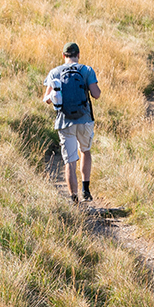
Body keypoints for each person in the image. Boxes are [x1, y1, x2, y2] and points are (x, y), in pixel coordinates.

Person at [41, 42, 101, 202]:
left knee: (69, 161)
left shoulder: (54, 72)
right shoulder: (86, 70)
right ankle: (85, 189)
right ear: (78, 55)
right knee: (85, 151)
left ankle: (74, 199)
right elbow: (96, 94)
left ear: (63, 56)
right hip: (85, 119)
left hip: (64, 121)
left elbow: (46, 100)